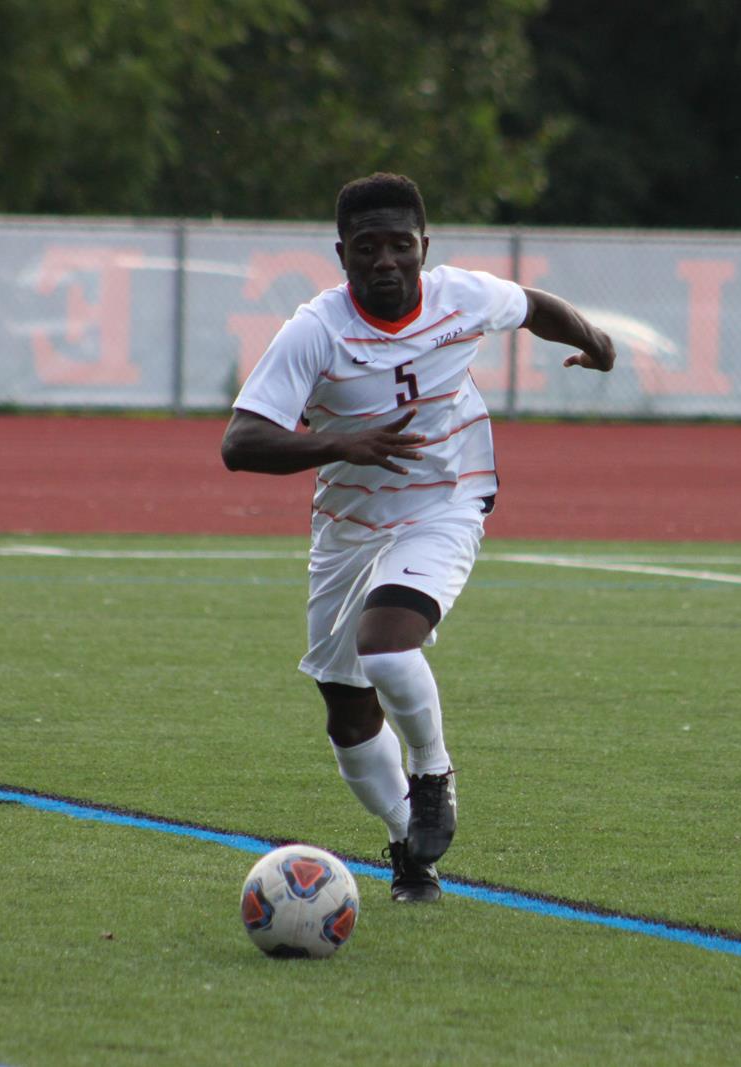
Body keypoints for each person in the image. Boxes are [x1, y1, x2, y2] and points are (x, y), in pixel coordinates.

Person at [220, 172, 615, 903]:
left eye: (401, 246)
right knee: (347, 714)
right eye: (367, 248)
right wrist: (341, 442)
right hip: (350, 529)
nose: (386, 262)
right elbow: (240, 442)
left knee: (388, 643)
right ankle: (411, 847)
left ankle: (434, 774)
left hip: (447, 499)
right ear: (342, 255)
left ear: (423, 247)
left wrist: (597, 342)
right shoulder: (316, 328)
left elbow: (534, 308)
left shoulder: (460, 294)